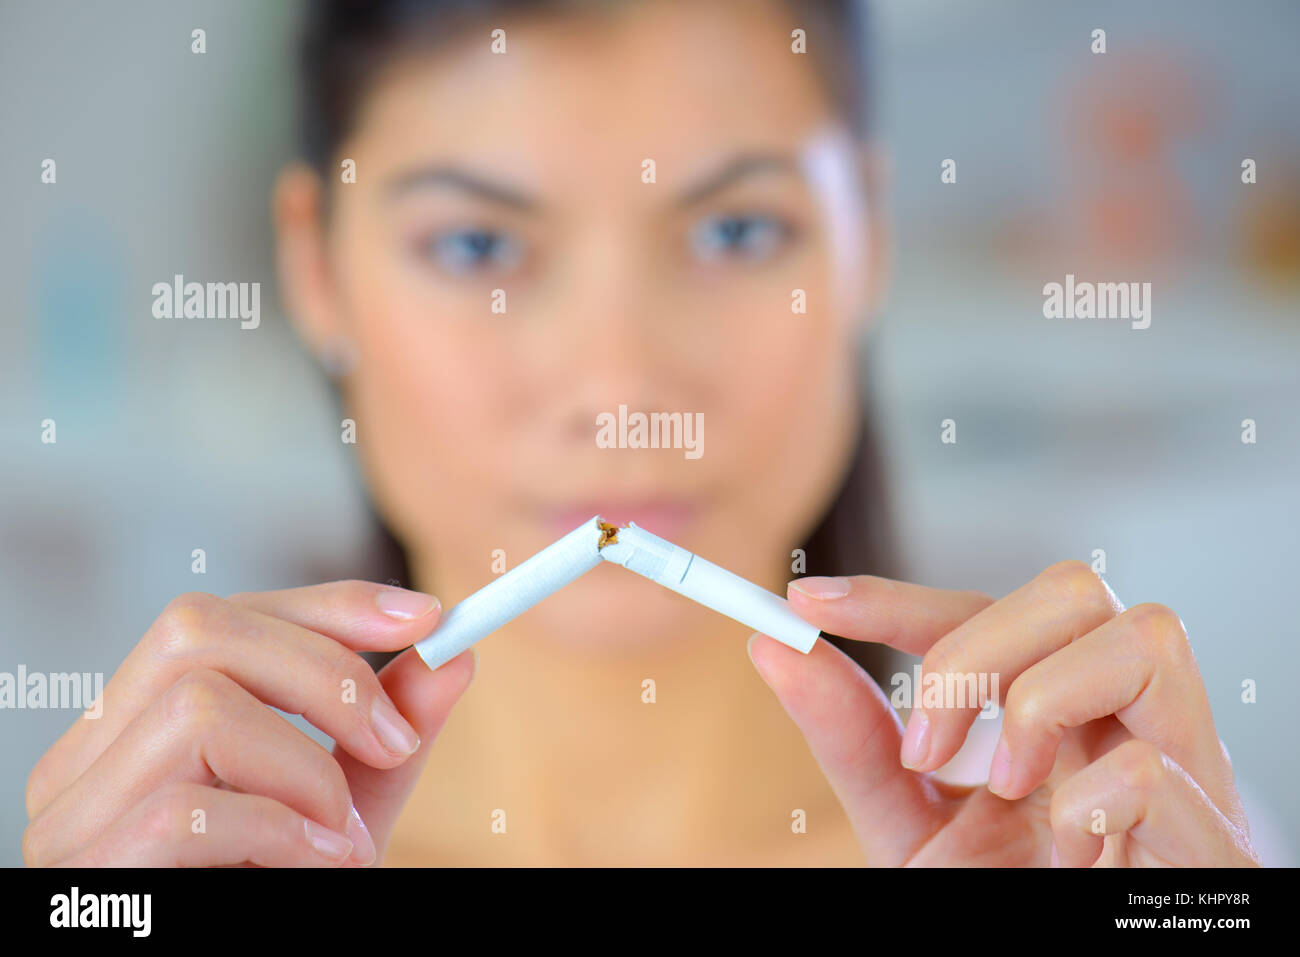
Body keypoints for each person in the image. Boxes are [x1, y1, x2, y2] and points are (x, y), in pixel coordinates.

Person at [23, 0, 1258, 867]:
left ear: (867, 240)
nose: (619, 380)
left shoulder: (1133, 847)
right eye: (477, 247)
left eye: (734, 234)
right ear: (315, 271)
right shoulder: (147, 872)